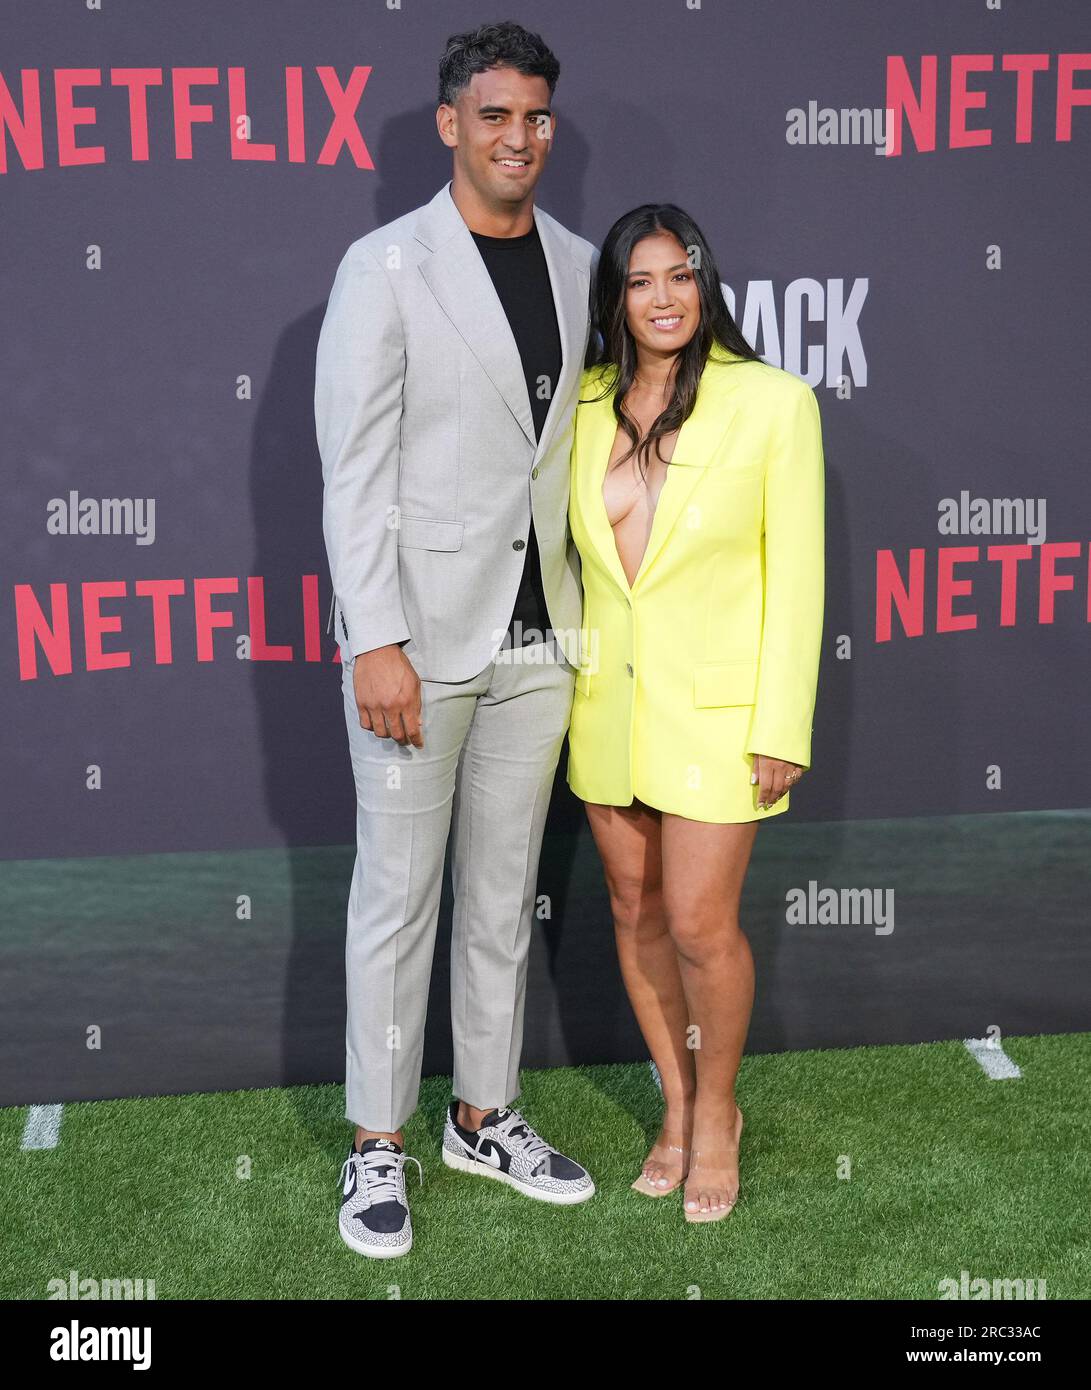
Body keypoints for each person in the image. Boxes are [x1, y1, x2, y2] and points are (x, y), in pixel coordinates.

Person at [314, 21, 598, 1259]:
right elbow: (351, 471)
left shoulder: (588, 264)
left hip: (546, 638)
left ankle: (483, 1114)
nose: (517, 137)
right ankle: (378, 1141)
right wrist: (373, 636)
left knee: (500, 896)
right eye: (493, 115)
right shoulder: (382, 267)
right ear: (448, 124)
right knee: (397, 898)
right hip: (418, 644)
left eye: (534, 116)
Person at [566, 204, 825, 1222]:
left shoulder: (770, 402)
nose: (662, 297)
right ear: (615, 299)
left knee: (697, 923)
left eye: (679, 276)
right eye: (639, 281)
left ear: (703, 283)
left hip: (722, 719)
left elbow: (796, 576)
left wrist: (780, 725)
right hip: (605, 715)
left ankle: (718, 1112)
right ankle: (672, 1107)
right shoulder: (585, 405)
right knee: (633, 918)